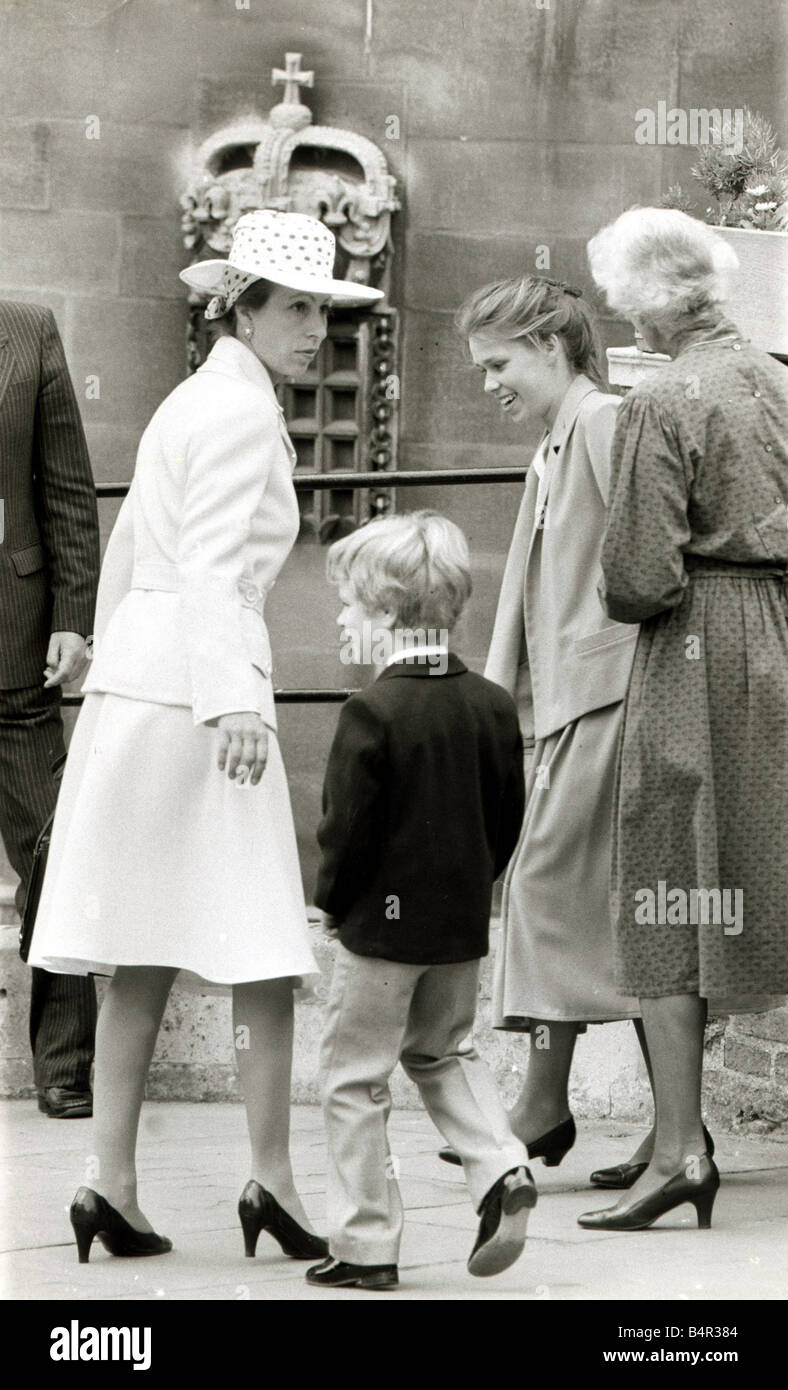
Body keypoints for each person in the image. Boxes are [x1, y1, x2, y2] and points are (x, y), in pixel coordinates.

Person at [28, 209, 382, 1263]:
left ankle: (112, 1184)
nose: (316, 327)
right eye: (298, 307)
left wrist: (102, 655)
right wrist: (234, 702)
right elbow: (217, 567)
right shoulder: (234, 414)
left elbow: (140, 547)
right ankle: (268, 1180)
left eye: (327, 308)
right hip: (197, 696)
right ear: (244, 305)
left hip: (145, 692)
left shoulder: (196, 399)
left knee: (141, 952)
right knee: (263, 950)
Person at [579, 206, 788, 1232]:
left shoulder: (659, 401)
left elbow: (635, 576)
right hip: (782, 630)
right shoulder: (778, 379)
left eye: (626, 304)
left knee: (666, 876)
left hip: (696, 643)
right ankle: (673, 1134)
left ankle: (678, 1147)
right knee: (765, 867)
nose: (629, 324)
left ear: (650, 300)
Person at [441, 276, 660, 1185]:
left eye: (497, 363)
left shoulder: (604, 423)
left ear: (547, 343)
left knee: (543, 887)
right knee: (602, 906)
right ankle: (595, 1110)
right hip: (575, 699)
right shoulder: (557, 440)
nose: (488, 383)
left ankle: (545, 1102)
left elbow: (651, 553)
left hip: (612, 693)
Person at [306, 511, 536, 1290]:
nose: (342, 619)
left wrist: (328, 905)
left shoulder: (371, 710)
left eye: (348, 606)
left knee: (353, 1078)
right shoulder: (492, 704)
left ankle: (367, 1244)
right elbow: (508, 816)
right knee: (442, 1052)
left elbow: (346, 833)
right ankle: (502, 1165)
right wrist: (473, 888)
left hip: (379, 933)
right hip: (459, 925)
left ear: (385, 612)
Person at [0, 298, 99, 1120]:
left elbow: (66, 487)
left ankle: (64, 1064)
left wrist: (72, 616)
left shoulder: (28, 332)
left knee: (55, 851)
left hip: (16, 651)